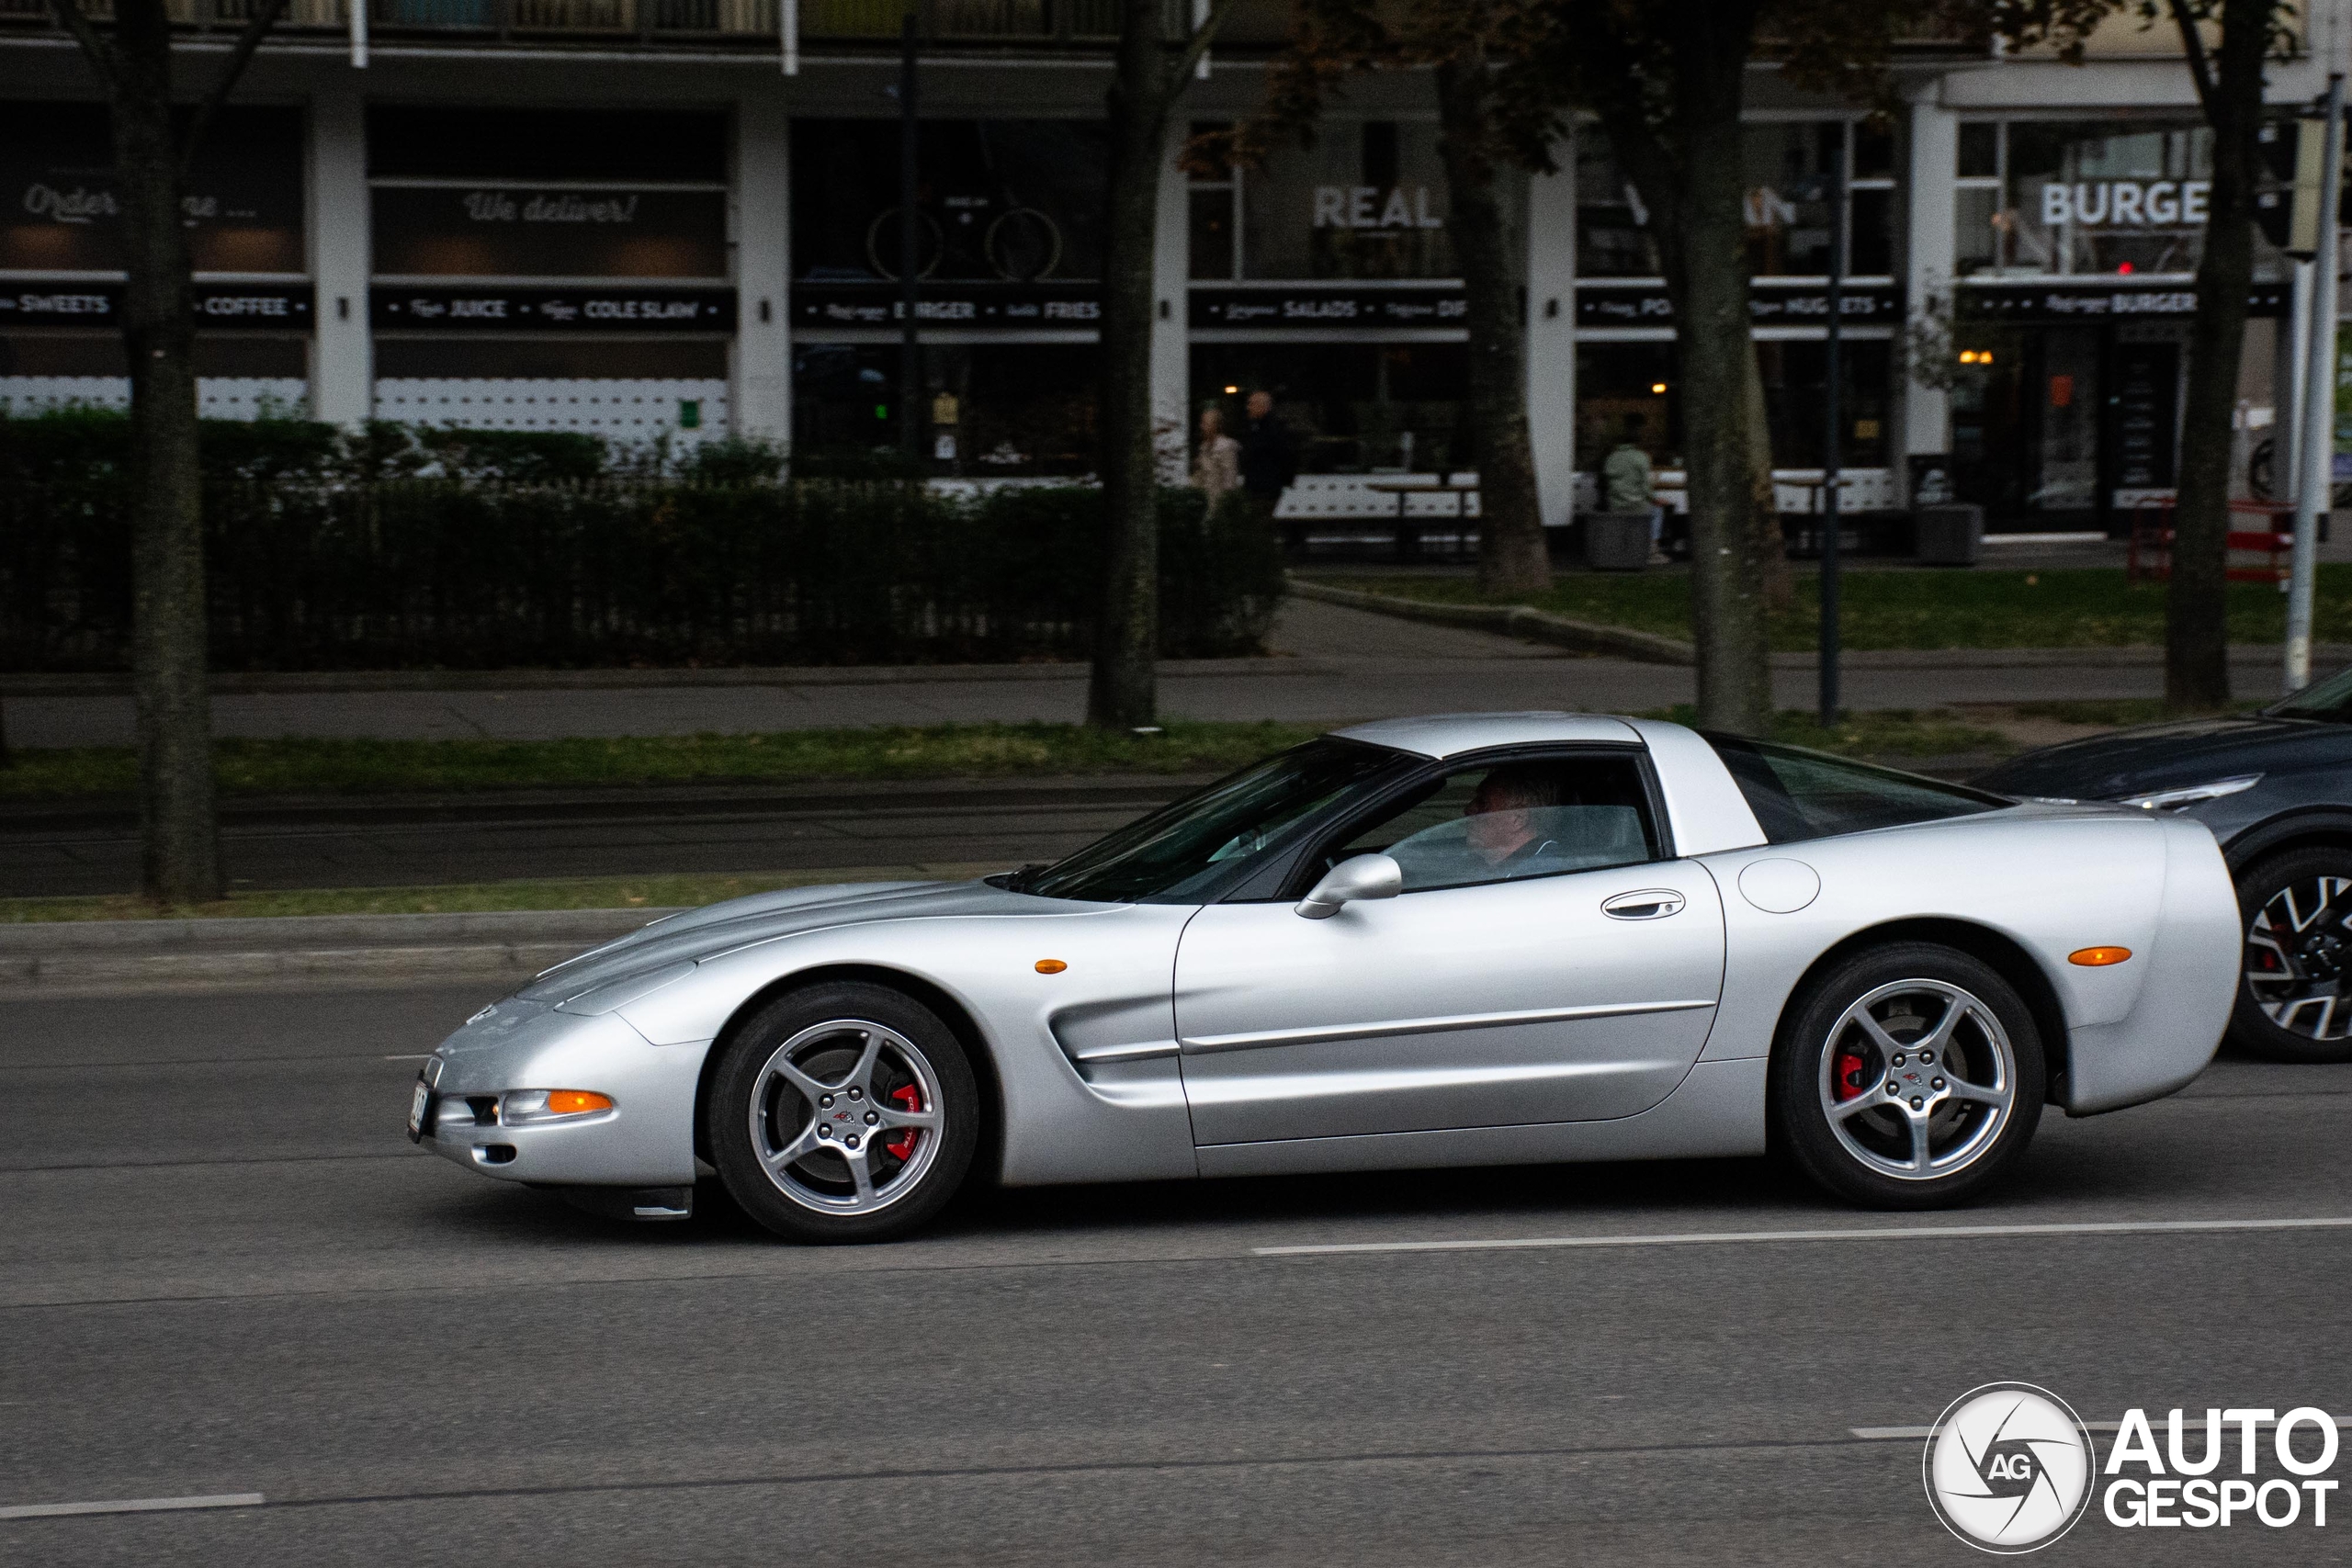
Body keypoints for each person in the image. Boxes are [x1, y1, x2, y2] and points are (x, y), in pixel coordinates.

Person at [1463, 763, 1572, 872]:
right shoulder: (1520, 869)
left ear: (1518, 819)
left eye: (1483, 804)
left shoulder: (1542, 873)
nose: (1468, 809)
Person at [1237, 389, 1301, 552]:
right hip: (1260, 484)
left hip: (1265, 485)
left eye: (1252, 404)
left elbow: (1284, 455)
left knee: (1260, 525)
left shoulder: (1271, 430)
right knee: (1258, 525)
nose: (1248, 407)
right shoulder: (1257, 428)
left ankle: (1264, 558)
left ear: (1263, 407)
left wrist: (1281, 479)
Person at [1603, 412, 1668, 566]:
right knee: (1657, 510)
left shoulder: (1612, 458)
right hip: (1638, 505)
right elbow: (1645, 487)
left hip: (1617, 504)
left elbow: (1608, 480)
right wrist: (1655, 499)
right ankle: (1652, 550)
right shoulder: (1641, 457)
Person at [1192, 404, 1241, 501]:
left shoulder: (1226, 448)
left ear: (1215, 426)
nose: (1202, 427)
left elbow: (1229, 477)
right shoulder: (1204, 448)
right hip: (1205, 500)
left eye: (1205, 423)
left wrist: (1226, 501)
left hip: (1219, 500)